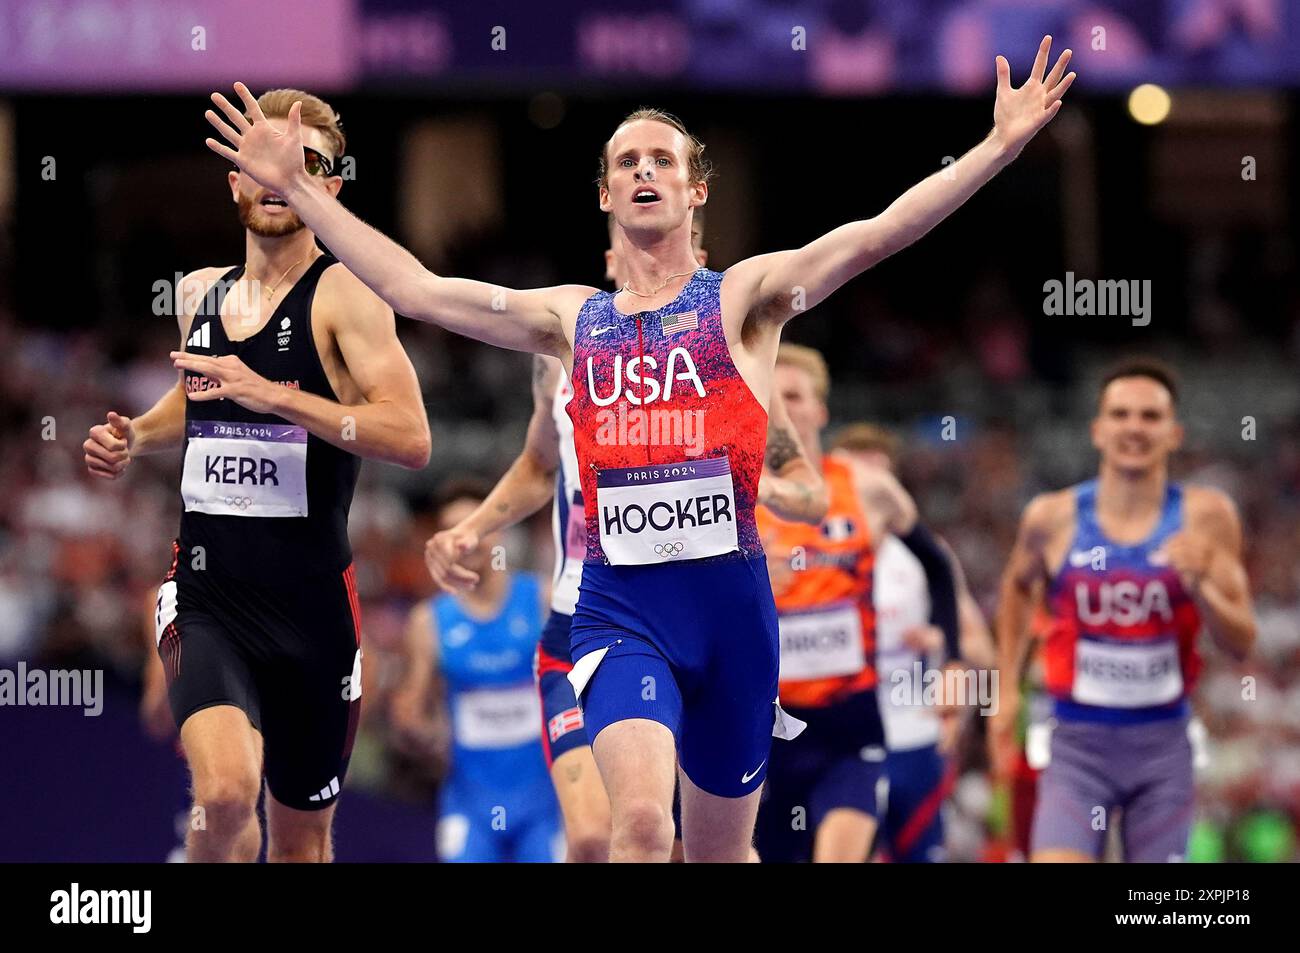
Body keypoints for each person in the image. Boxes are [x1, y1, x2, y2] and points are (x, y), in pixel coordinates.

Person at [203, 37, 1075, 859]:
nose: (644, 170)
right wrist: (307, 190)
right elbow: (418, 290)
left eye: (663, 159)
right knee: (643, 826)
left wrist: (996, 147)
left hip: (732, 612)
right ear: (605, 197)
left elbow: (881, 232)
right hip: (622, 610)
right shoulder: (568, 319)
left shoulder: (746, 299)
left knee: (722, 848)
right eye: (626, 162)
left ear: (697, 192)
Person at [84, 89, 430, 862]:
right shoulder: (198, 292)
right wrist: (136, 435)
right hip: (208, 598)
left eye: (303, 164)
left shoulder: (347, 296)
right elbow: (197, 399)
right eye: (262, 162)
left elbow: (410, 437)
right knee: (225, 794)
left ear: (331, 185)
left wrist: (275, 395)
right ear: (235, 179)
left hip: (314, 612)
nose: (278, 179)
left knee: (302, 843)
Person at [425, 213, 826, 862]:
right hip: (590, 621)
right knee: (607, 832)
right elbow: (536, 464)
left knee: (705, 844)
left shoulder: (723, 360)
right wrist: (474, 526)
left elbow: (808, 488)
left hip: (705, 616)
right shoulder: (561, 354)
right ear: (611, 256)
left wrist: (768, 494)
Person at [991, 359, 1256, 862]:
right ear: (1097, 429)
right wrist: (1007, 686)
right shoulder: (1052, 517)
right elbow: (1017, 589)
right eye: (1121, 414)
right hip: (1075, 745)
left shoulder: (1206, 517)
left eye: (1150, 417)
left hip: (1163, 747)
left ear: (1174, 433)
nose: (1134, 428)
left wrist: (1203, 587)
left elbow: (1241, 642)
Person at [754, 345, 960, 862]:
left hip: (850, 725)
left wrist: (952, 655)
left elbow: (937, 566)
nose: (783, 407)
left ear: (820, 409)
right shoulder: (736, 494)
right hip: (765, 727)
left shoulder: (866, 488)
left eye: (795, 396)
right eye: (770, 395)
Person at [829, 422, 995, 863]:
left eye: (879, 479)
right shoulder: (805, 554)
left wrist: (944, 648)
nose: (869, 491)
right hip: (835, 738)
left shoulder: (924, 558)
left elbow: (982, 653)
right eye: (855, 478)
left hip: (913, 736)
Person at [393, 483, 561, 863]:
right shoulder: (429, 622)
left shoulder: (543, 600)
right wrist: (424, 734)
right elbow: (409, 712)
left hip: (545, 809)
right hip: (470, 808)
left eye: (477, 529)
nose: (466, 543)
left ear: (498, 532)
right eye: (454, 532)